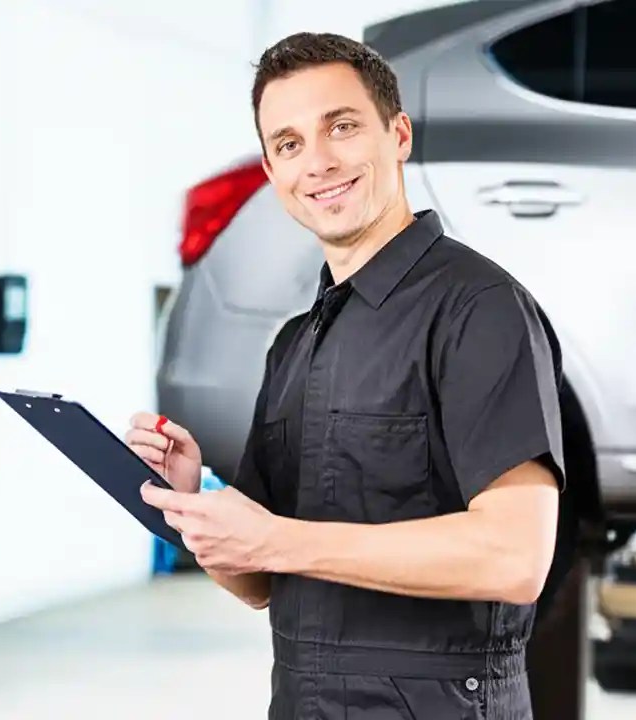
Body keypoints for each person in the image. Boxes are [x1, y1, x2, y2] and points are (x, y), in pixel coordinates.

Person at [129, 32, 565, 719]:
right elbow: (259, 581)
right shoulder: (294, 344)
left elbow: (515, 558)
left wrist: (280, 539)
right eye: (290, 144)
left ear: (398, 135)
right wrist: (192, 502)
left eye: (342, 126)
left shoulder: (479, 310)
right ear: (273, 173)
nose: (319, 161)